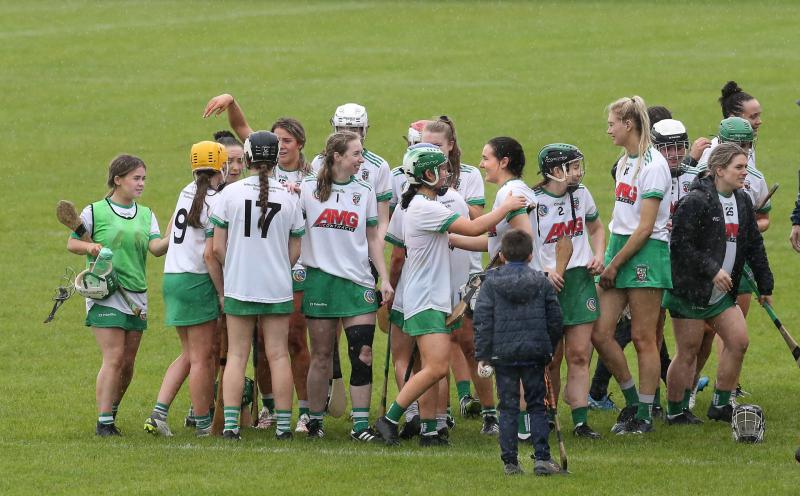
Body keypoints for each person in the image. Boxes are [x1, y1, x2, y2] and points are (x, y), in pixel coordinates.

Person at [374, 144, 526, 446]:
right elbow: (472, 228)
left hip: (429, 296)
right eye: (442, 170)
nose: (447, 173)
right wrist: (506, 209)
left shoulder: (422, 205)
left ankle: (430, 429)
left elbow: (458, 238)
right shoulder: (424, 207)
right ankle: (390, 418)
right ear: (427, 174)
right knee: (436, 367)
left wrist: (501, 248)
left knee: (429, 368)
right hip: (426, 299)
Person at [665, 143, 773, 424]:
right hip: (690, 290)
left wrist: (766, 285)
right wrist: (713, 270)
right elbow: (680, 246)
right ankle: (676, 411)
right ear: (719, 170)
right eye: (739, 167)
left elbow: (753, 245)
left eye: (745, 167)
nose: (744, 173)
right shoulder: (696, 201)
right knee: (687, 352)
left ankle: (720, 404)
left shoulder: (742, 201)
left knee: (738, 341)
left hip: (721, 294)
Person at [210, 131, 305, 440]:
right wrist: (279, 267)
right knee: (278, 355)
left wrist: (236, 266)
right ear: (275, 158)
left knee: (236, 355)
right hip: (277, 286)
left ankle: (231, 426)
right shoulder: (289, 197)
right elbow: (295, 250)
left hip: (240, 284)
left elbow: (217, 249)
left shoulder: (229, 194)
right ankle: (282, 428)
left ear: (248, 158)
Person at [299, 131, 393, 442]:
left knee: (363, 353)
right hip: (321, 283)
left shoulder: (364, 190)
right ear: (337, 156)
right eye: (355, 154)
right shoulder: (307, 189)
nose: (361, 159)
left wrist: (384, 278)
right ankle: (314, 421)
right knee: (322, 355)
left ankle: (360, 426)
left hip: (358, 283)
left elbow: (372, 239)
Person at [67, 154, 169, 436]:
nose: (141, 184)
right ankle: (104, 422)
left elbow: (157, 248)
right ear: (118, 180)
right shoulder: (95, 211)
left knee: (128, 362)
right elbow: (73, 242)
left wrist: (176, 231)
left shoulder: (146, 214)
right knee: (113, 356)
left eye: (143, 179)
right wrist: (91, 249)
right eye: (136, 178)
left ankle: (110, 412)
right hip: (104, 290)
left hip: (135, 292)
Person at [593, 96, 672, 435]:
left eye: (612, 123)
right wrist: (608, 257)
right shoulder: (625, 158)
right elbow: (622, 218)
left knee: (643, 337)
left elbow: (645, 227)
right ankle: (631, 401)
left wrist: (613, 265)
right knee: (599, 332)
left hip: (644, 253)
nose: (608, 129)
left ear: (628, 124)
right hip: (619, 247)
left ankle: (645, 414)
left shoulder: (654, 165)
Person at [144, 141, 226, 437]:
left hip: (173, 278)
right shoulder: (217, 200)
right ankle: (204, 423)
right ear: (222, 167)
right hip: (195, 280)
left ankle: (159, 413)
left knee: (189, 354)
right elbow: (210, 253)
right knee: (203, 358)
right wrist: (221, 291)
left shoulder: (185, 191)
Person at [472, 228, 564, 476]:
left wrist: (483, 354)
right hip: (535, 353)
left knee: (509, 406)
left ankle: (510, 462)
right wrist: (548, 348)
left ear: (501, 255)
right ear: (531, 256)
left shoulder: (490, 283)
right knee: (537, 405)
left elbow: (482, 321)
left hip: (503, 354)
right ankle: (542, 458)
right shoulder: (541, 281)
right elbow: (555, 320)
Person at [531, 144, 605, 439]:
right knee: (551, 357)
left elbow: (597, 228)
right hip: (548, 283)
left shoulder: (582, 195)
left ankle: (580, 419)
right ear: (556, 170)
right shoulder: (533, 202)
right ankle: (548, 414)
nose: (579, 171)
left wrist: (598, 254)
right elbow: (524, 243)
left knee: (579, 355)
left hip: (579, 281)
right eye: (573, 166)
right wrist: (544, 271)